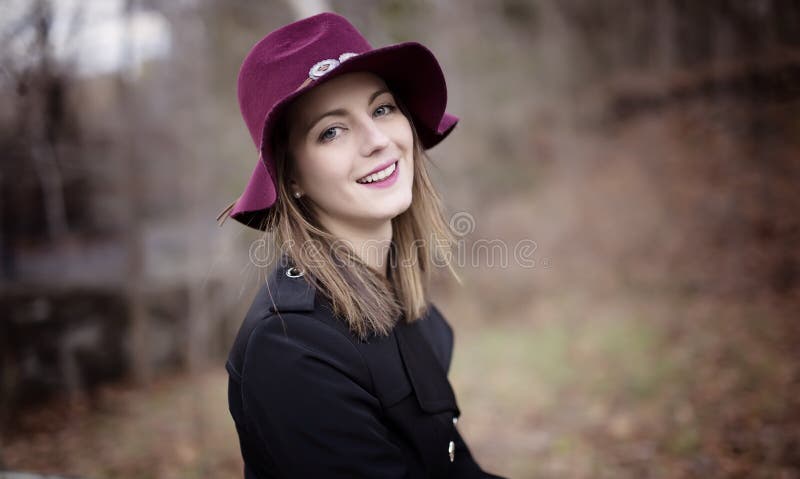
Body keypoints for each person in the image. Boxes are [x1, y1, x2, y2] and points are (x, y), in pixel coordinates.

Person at [220, 12, 507, 479]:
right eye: (332, 131)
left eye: (382, 108)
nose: (377, 141)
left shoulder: (397, 296)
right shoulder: (292, 350)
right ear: (289, 176)